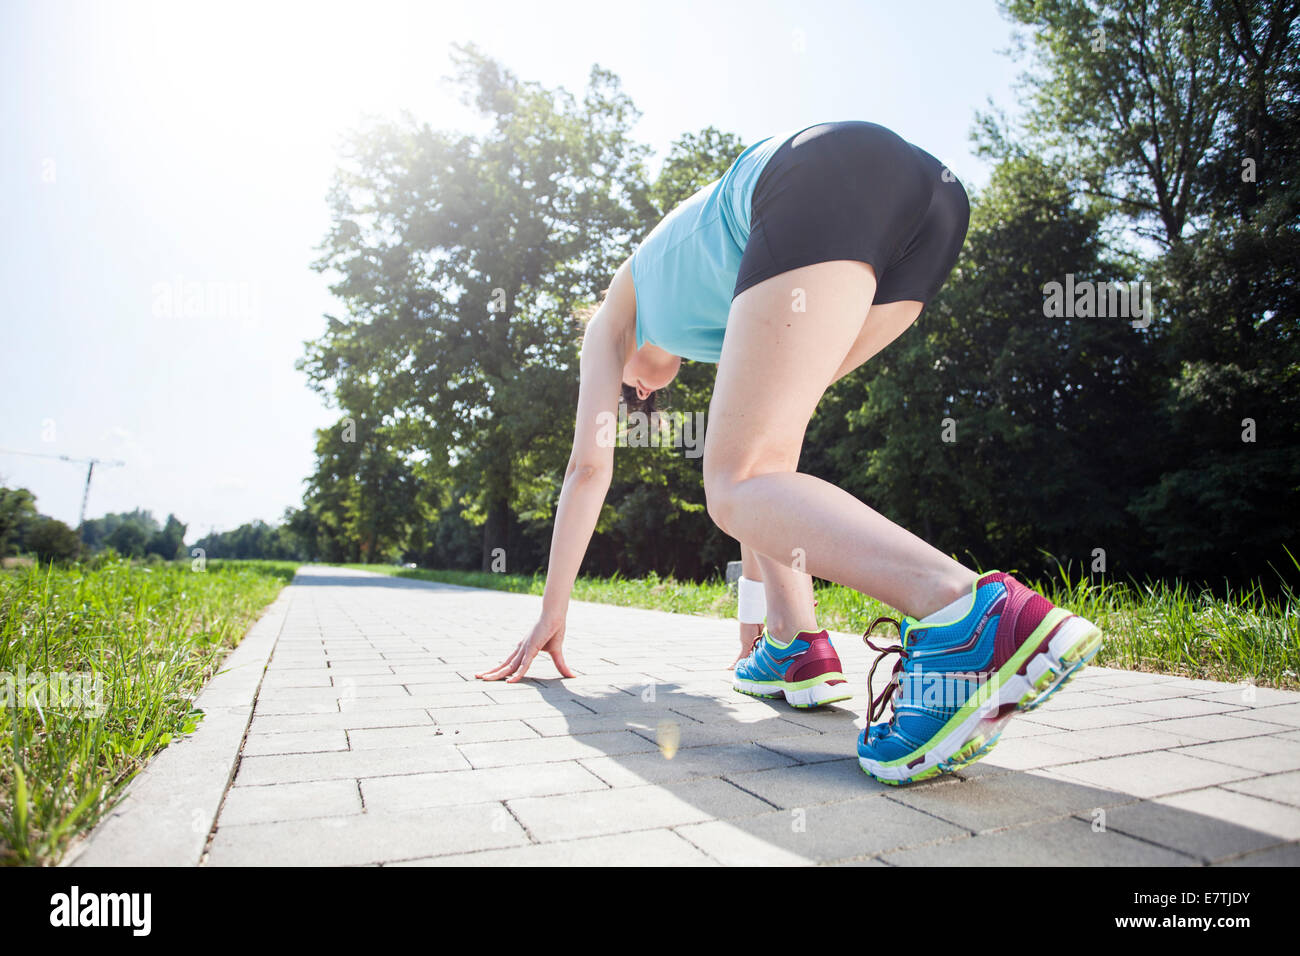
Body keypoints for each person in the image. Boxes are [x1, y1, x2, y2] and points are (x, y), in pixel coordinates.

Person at [476, 120, 1103, 784]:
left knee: (732, 481)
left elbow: (587, 467)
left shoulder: (612, 316)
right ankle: (796, 645)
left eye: (627, 387)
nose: (633, 389)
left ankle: (970, 615)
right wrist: (760, 621)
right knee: (758, 468)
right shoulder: (718, 317)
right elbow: (771, 477)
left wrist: (552, 607)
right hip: (929, 205)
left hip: (825, 177)